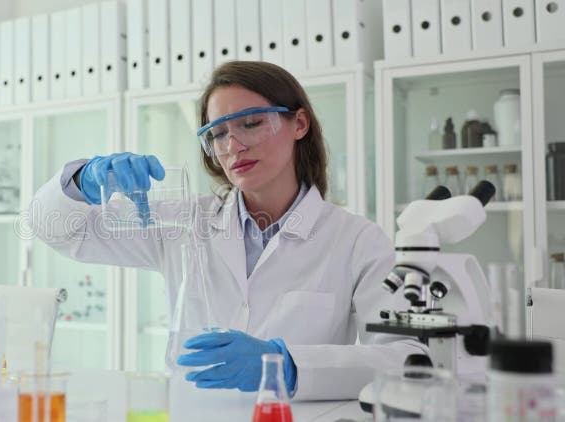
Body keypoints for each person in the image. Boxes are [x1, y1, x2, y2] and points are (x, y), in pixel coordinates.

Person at [28, 61, 425, 400]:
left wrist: (288, 365)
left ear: (299, 123)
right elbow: (55, 229)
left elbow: (406, 357)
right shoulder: (184, 222)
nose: (233, 145)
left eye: (251, 123)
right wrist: (80, 180)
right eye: (217, 134)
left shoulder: (357, 240)